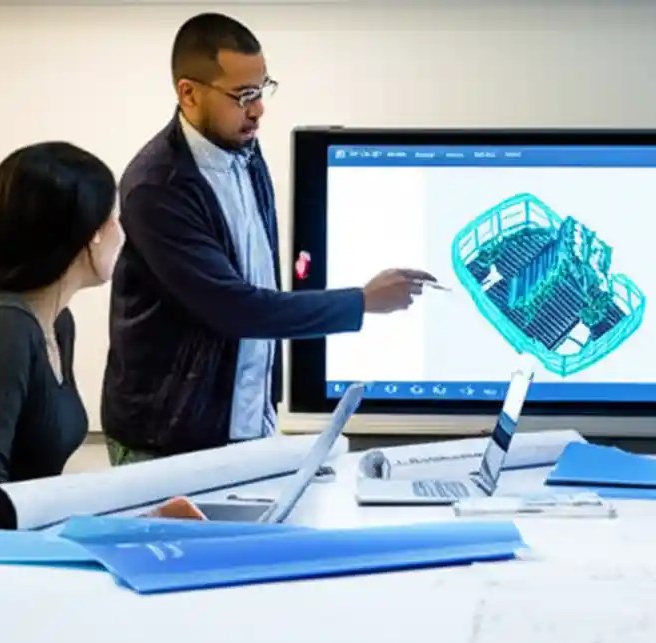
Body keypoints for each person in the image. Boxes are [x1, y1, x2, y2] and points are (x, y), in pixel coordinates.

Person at [102, 12, 434, 465]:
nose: (258, 109)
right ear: (189, 93)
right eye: (243, 95)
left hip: (246, 428)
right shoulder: (157, 187)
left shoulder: (243, 150)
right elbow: (236, 308)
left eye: (262, 90)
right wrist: (362, 301)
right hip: (166, 444)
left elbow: (261, 279)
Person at [0, 141, 201, 571]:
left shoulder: (57, 325)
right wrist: (117, 530)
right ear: (89, 233)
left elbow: (23, 495)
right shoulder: (1, 328)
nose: (123, 231)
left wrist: (135, 524)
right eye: (115, 217)